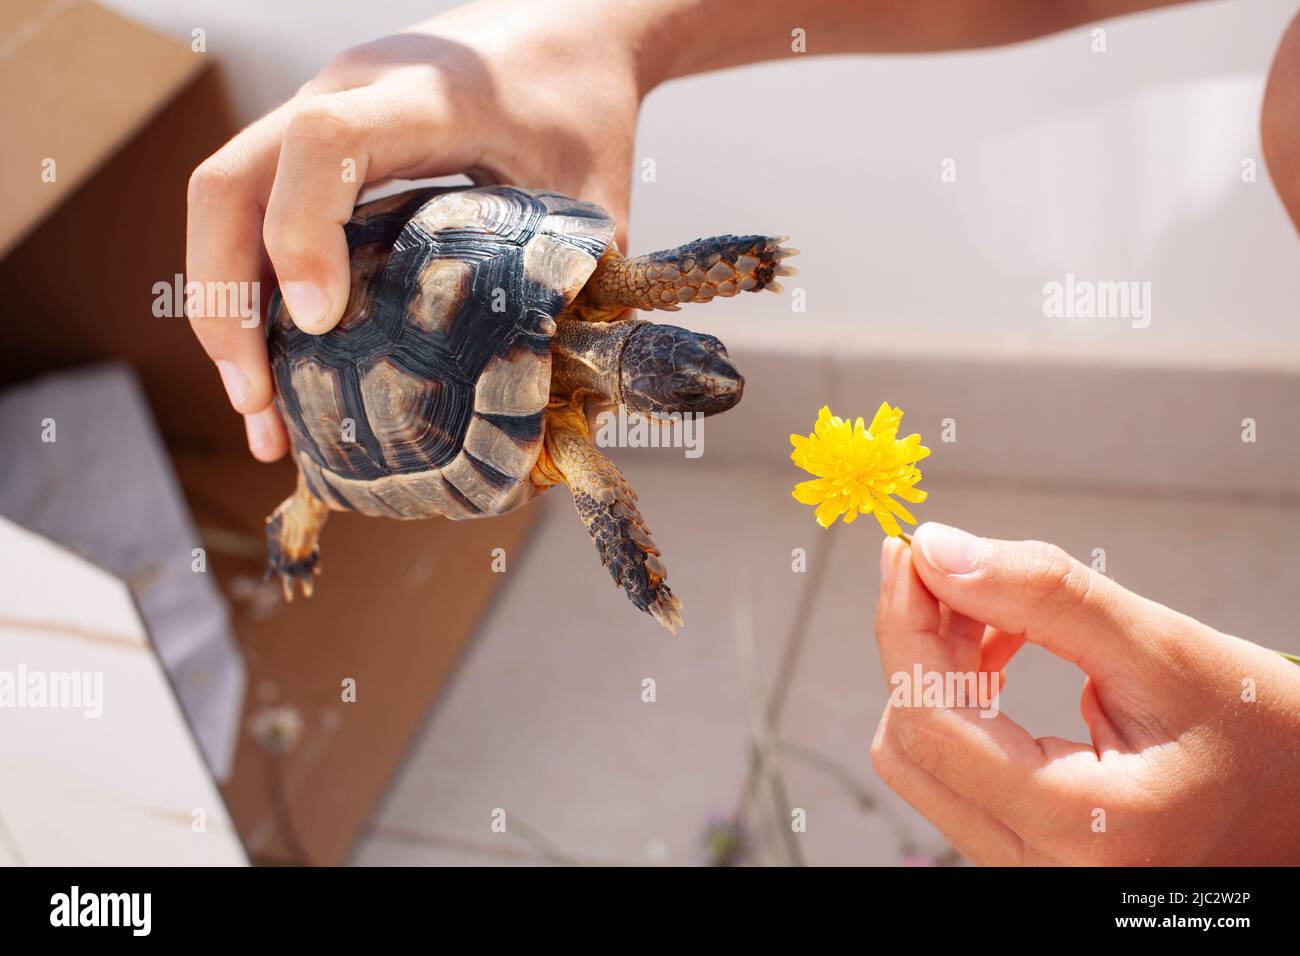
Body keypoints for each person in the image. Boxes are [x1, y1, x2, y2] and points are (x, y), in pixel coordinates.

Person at [184, 0, 1300, 864]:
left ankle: (306, 501)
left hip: (436, 364)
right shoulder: (606, 312)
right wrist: (594, 30)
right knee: (374, 477)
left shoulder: (584, 394)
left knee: (594, 484)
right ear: (641, 344)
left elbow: (609, 453)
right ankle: (305, 504)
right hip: (357, 404)